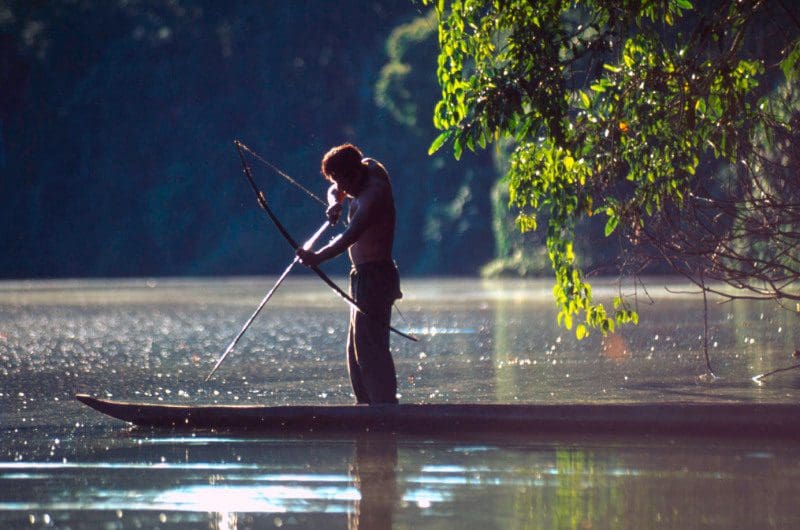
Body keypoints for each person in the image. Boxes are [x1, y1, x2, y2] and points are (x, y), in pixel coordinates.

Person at [296, 143, 401, 405]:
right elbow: (335, 189)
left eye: (343, 182)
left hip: (376, 276)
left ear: (355, 173)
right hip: (361, 276)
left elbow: (349, 236)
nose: (342, 189)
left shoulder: (374, 193)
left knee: (371, 349)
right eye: (336, 182)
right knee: (355, 352)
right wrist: (334, 204)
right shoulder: (360, 171)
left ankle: (384, 408)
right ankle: (365, 407)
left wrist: (316, 257)